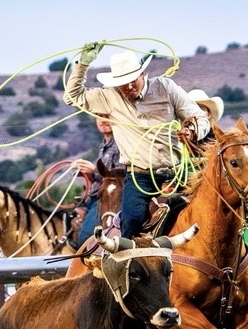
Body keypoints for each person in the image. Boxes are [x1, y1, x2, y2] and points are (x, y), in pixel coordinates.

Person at [64, 44, 210, 237]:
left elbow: (200, 118)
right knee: (132, 220)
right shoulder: (110, 97)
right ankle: (128, 255)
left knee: (210, 206)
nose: (129, 87)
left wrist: (191, 131)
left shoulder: (166, 88)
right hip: (139, 176)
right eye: (123, 83)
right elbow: (72, 96)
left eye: (133, 80)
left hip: (175, 172)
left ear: (142, 74)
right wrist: (83, 64)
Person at [72, 117, 121, 244]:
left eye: (107, 116)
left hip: (107, 198)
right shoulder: (104, 144)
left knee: (85, 239)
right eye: (99, 116)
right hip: (95, 196)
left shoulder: (120, 143)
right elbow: (103, 177)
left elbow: (119, 176)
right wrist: (88, 174)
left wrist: (94, 170)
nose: (103, 120)